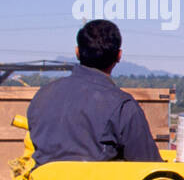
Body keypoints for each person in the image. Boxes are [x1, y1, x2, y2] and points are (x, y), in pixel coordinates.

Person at [26, 20, 163, 167]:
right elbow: (149, 168)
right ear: (119, 56)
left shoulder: (42, 96)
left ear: (77, 52)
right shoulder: (123, 107)